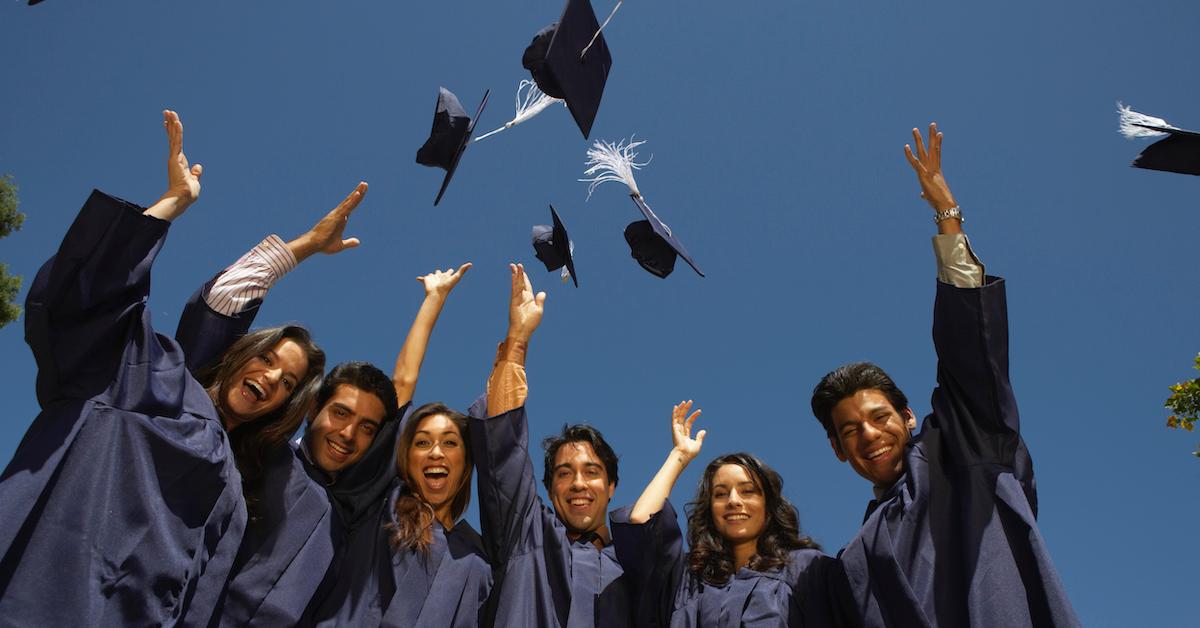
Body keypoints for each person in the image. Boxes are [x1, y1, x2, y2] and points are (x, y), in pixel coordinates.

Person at [0, 110, 332, 625]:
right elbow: (95, 299)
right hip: (40, 588)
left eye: (288, 383)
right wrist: (174, 204)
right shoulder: (146, 373)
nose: (270, 379)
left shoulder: (235, 497)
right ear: (237, 355)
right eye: (266, 359)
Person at [809, 124, 1080, 627]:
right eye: (850, 430)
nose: (869, 435)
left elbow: (969, 354)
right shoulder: (854, 558)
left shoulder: (962, 447)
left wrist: (947, 217)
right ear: (837, 450)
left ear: (908, 417)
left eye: (879, 417)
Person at [298, 265, 477, 626]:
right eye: (422, 441)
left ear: (467, 463)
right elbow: (402, 385)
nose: (436, 452)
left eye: (450, 442)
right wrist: (434, 300)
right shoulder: (382, 503)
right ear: (404, 458)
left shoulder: (477, 557)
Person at [468, 264, 642, 627]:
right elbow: (502, 453)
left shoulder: (639, 567)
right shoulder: (529, 536)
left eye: (592, 472)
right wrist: (517, 339)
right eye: (565, 473)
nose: (578, 483)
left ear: (611, 487)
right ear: (548, 489)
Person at [610, 401, 852, 627]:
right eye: (721, 494)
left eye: (748, 491)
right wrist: (680, 456)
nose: (734, 501)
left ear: (768, 507)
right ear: (709, 510)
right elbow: (641, 520)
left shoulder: (805, 569)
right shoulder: (687, 580)